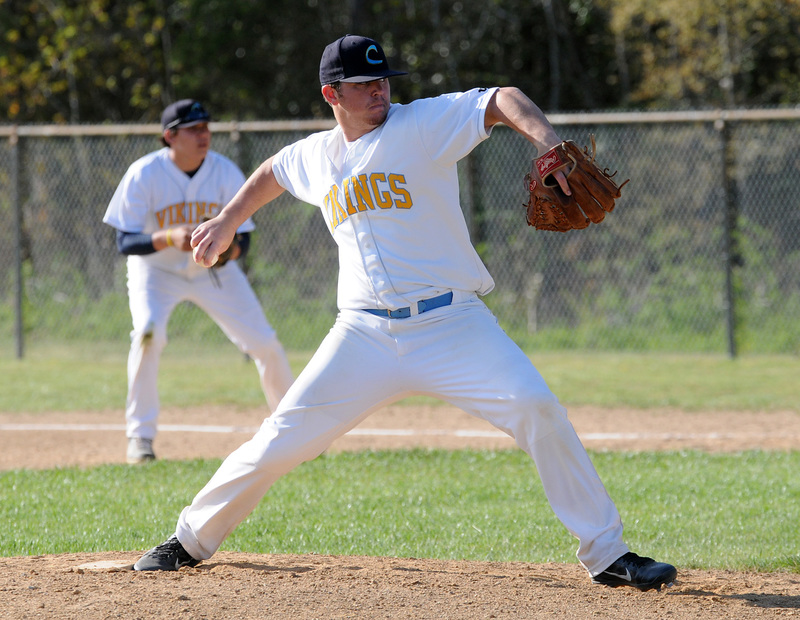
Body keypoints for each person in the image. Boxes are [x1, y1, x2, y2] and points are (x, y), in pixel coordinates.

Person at [133, 36, 677, 591]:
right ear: (331, 94)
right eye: (364, 83)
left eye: (383, 79)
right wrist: (227, 219)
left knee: (537, 407)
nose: (379, 90)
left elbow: (503, 98)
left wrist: (547, 143)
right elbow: (273, 171)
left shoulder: (421, 124)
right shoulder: (316, 156)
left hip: (452, 324)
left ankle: (608, 554)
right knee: (283, 437)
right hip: (362, 334)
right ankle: (190, 539)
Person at [103, 99, 294, 465]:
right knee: (147, 333)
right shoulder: (144, 174)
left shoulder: (224, 172)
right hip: (156, 273)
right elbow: (125, 242)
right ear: (170, 136)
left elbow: (245, 240)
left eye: (206, 127)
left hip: (214, 274)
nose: (203, 134)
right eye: (193, 129)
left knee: (265, 343)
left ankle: (294, 430)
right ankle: (140, 438)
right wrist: (168, 237)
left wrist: (227, 252)